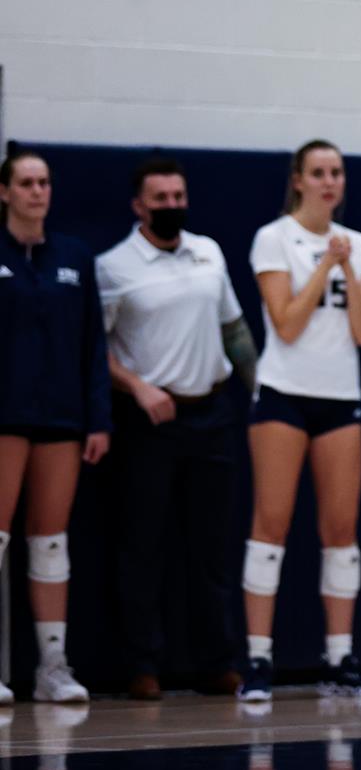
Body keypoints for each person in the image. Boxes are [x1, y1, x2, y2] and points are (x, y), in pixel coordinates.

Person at [97, 155, 259, 700]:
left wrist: (259, 388)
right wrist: (139, 388)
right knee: (143, 545)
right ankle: (142, 664)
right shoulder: (114, 266)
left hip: (213, 412)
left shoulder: (208, 251)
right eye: (160, 198)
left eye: (178, 196)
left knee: (212, 546)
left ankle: (217, 661)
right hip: (149, 419)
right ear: (138, 205)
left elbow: (233, 327)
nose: (171, 205)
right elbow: (93, 352)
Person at [239, 139, 361, 701]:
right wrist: (326, 263)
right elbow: (287, 324)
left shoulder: (360, 245)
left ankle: (340, 657)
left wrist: (348, 265)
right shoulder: (274, 239)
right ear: (298, 180)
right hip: (284, 393)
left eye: (337, 172)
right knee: (270, 525)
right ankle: (257, 658)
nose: (330, 182)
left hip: (340, 396)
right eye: (319, 173)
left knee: (341, 530)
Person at [0, 149, 112, 704]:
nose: (37, 192)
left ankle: (52, 667)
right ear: (5, 192)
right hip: (5, 417)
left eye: (43, 182)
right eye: (25, 183)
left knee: (49, 543)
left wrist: (99, 417)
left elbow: (95, 344)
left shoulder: (74, 256)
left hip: (63, 417)